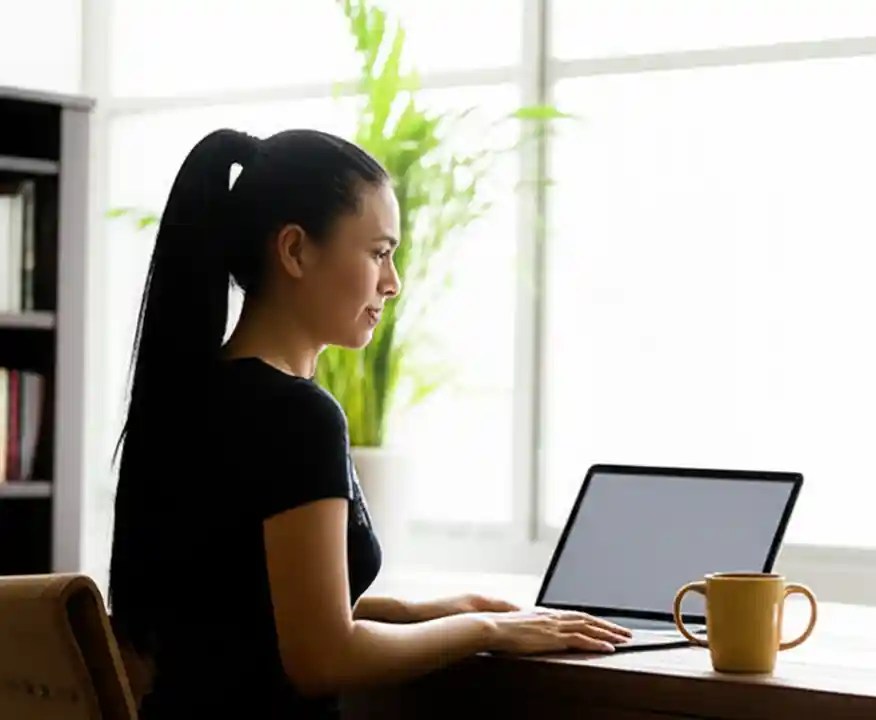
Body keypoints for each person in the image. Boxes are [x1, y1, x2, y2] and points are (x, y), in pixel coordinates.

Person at [107, 128, 631, 719]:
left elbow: (247, 617)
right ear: (296, 251)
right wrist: (488, 630)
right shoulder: (298, 418)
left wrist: (438, 611)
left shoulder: (187, 397)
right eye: (379, 252)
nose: (394, 282)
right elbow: (324, 657)